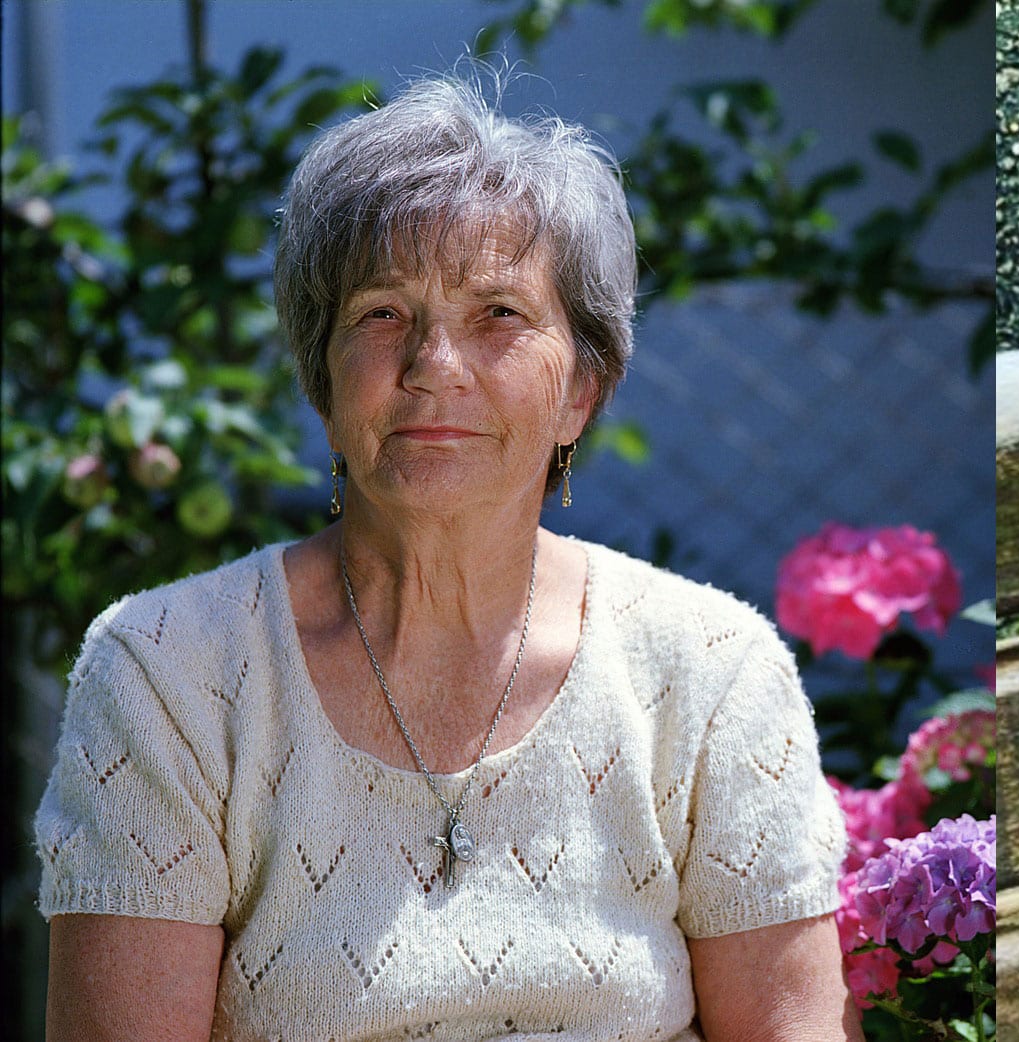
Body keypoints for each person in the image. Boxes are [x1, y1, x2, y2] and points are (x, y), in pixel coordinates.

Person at [35, 75, 856, 1041]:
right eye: (382, 314)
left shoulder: (711, 669)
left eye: (499, 314)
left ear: (581, 390)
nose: (435, 364)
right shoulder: (167, 669)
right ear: (322, 377)